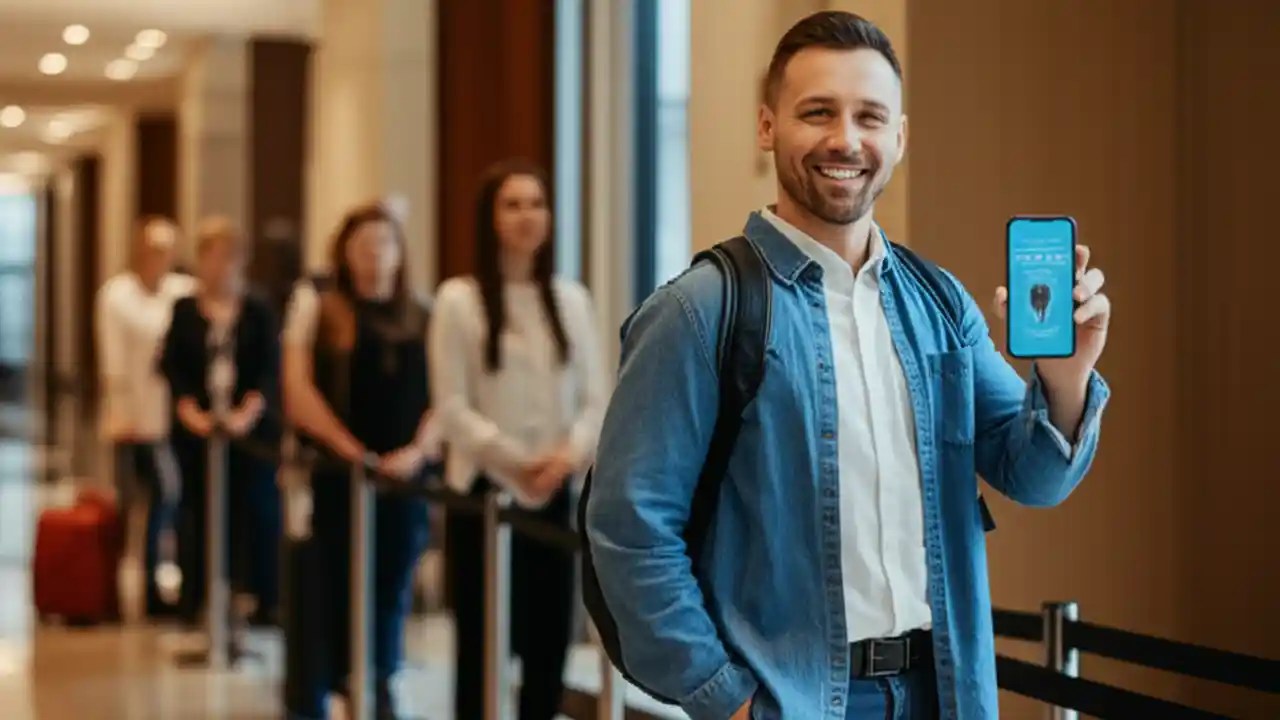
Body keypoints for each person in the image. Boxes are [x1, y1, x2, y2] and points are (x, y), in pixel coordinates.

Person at [583, 11, 1112, 720]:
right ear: (767, 126)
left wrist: (1066, 375)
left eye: (870, 117)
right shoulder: (698, 311)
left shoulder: (938, 303)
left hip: (943, 691)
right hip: (793, 700)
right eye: (817, 112)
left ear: (900, 137)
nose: (846, 140)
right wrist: (727, 700)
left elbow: (1036, 478)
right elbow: (630, 530)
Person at [431, 159, 608, 720]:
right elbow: (452, 406)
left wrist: (567, 455)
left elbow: (597, 396)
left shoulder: (570, 299)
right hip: (484, 492)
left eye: (536, 203)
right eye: (512, 205)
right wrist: (514, 461)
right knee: (481, 641)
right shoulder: (459, 300)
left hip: (555, 493)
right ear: (489, 218)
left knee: (548, 640)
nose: (527, 216)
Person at [281, 202, 440, 720]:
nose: (375, 256)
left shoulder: (421, 314)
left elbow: (445, 395)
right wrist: (351, 451)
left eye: (384, 244)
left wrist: (416, 452)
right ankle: (342, 682)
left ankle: (382, 675)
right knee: (336, 583)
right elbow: (298, 390)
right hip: (339, 475)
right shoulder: (322, 310)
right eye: (364, 245)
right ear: (345, 253)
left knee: (393, 582)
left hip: (406, 478)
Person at [157, 217, 282, 629]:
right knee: (196, 511)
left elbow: (268, 367)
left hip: (251, 432)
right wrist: (191, 411)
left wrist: (248, 412)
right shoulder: (185, 309)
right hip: (197, 428)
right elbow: (172, 367)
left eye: (228, 257)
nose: (220, 267)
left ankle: (260, 596)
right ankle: (198, 597)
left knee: (257, 510)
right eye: (211, 257)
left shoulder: (258, 309)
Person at [95, 215, 197, 619]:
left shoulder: (182, 292)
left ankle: (166, 585)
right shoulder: (117, 295)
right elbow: (113, 360)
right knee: (143, 500)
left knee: (171, 499)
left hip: (178, 415)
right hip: (134, 417)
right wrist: (121, 414)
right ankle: (124, 587)